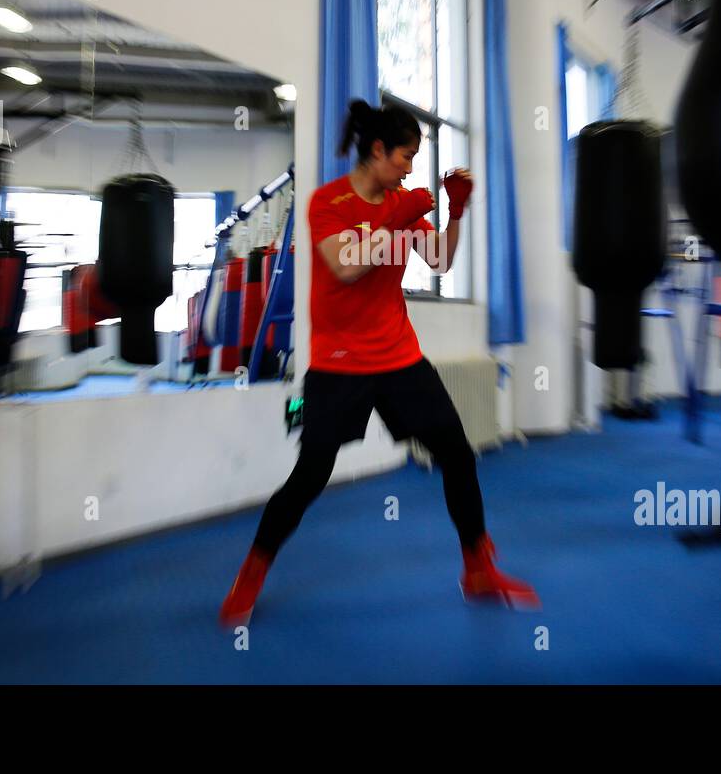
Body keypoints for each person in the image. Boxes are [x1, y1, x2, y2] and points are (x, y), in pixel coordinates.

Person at [219, 100, 539, 627]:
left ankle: (478, 568)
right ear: (378, 151)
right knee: (310, 475)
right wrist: (397, 216)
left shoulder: (400, 201)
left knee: (456, 453)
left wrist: (455, 214)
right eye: (406, 157)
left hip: (399, 358)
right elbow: (345, 266)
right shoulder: (329, 202)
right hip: (339, 365)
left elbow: (439, 260)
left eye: (416, 158)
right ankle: (249, 576)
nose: (411, 168)